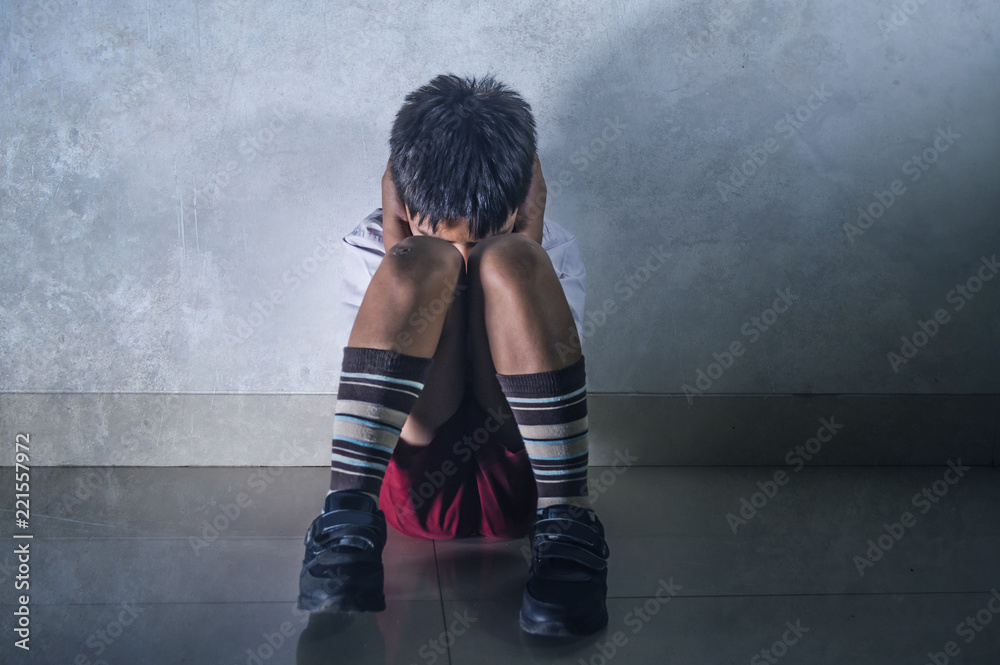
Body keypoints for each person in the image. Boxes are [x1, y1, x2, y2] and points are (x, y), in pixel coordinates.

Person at [297, 73, 610, 636]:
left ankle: (569, 526)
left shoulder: (549, 248)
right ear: (407, 202)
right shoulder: (372, 245)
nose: (465, 257)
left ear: (523, 202)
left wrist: (521, 248)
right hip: (414, 476)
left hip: (525, 481)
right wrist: (409, 250)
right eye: (453, 240)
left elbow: (551, 382)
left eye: (482, 238)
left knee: (513, 263)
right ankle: (344, 521)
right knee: (419, 264)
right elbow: (378, 388)